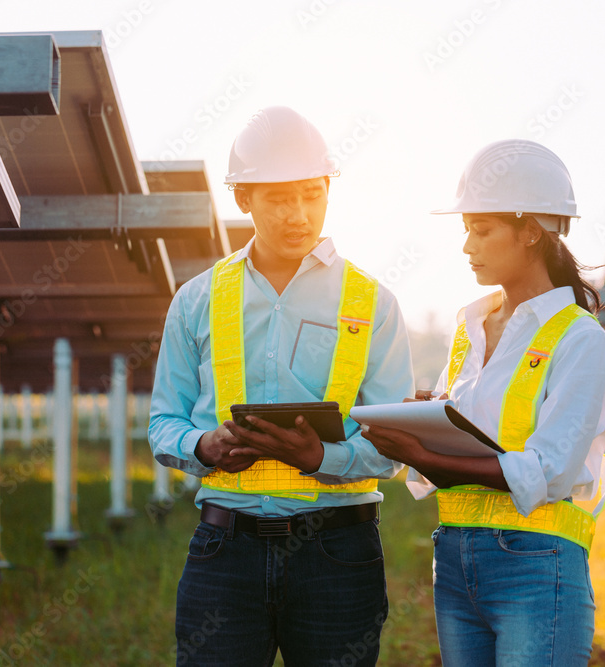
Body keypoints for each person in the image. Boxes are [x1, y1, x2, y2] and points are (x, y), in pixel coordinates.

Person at [148, 105, 415, 666]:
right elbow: (163, 422)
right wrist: (205, 446)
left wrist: (324, 455)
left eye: (313, 194)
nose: (300, 214)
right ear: (243, 198)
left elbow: (393, 444)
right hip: (225, 550)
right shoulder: (196, 299)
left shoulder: (373, 304)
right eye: (279, 198)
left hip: (339, 555)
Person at [362, 139, 605, 666]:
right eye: (466, 231)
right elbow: (476, 430)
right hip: (455, 557)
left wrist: (427, 456)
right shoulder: (469, 329)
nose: (466, 246)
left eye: (481, 230)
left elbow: (547, 471)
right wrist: (428, 418)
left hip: (536, 562)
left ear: (530, 232)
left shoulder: (581, 340)